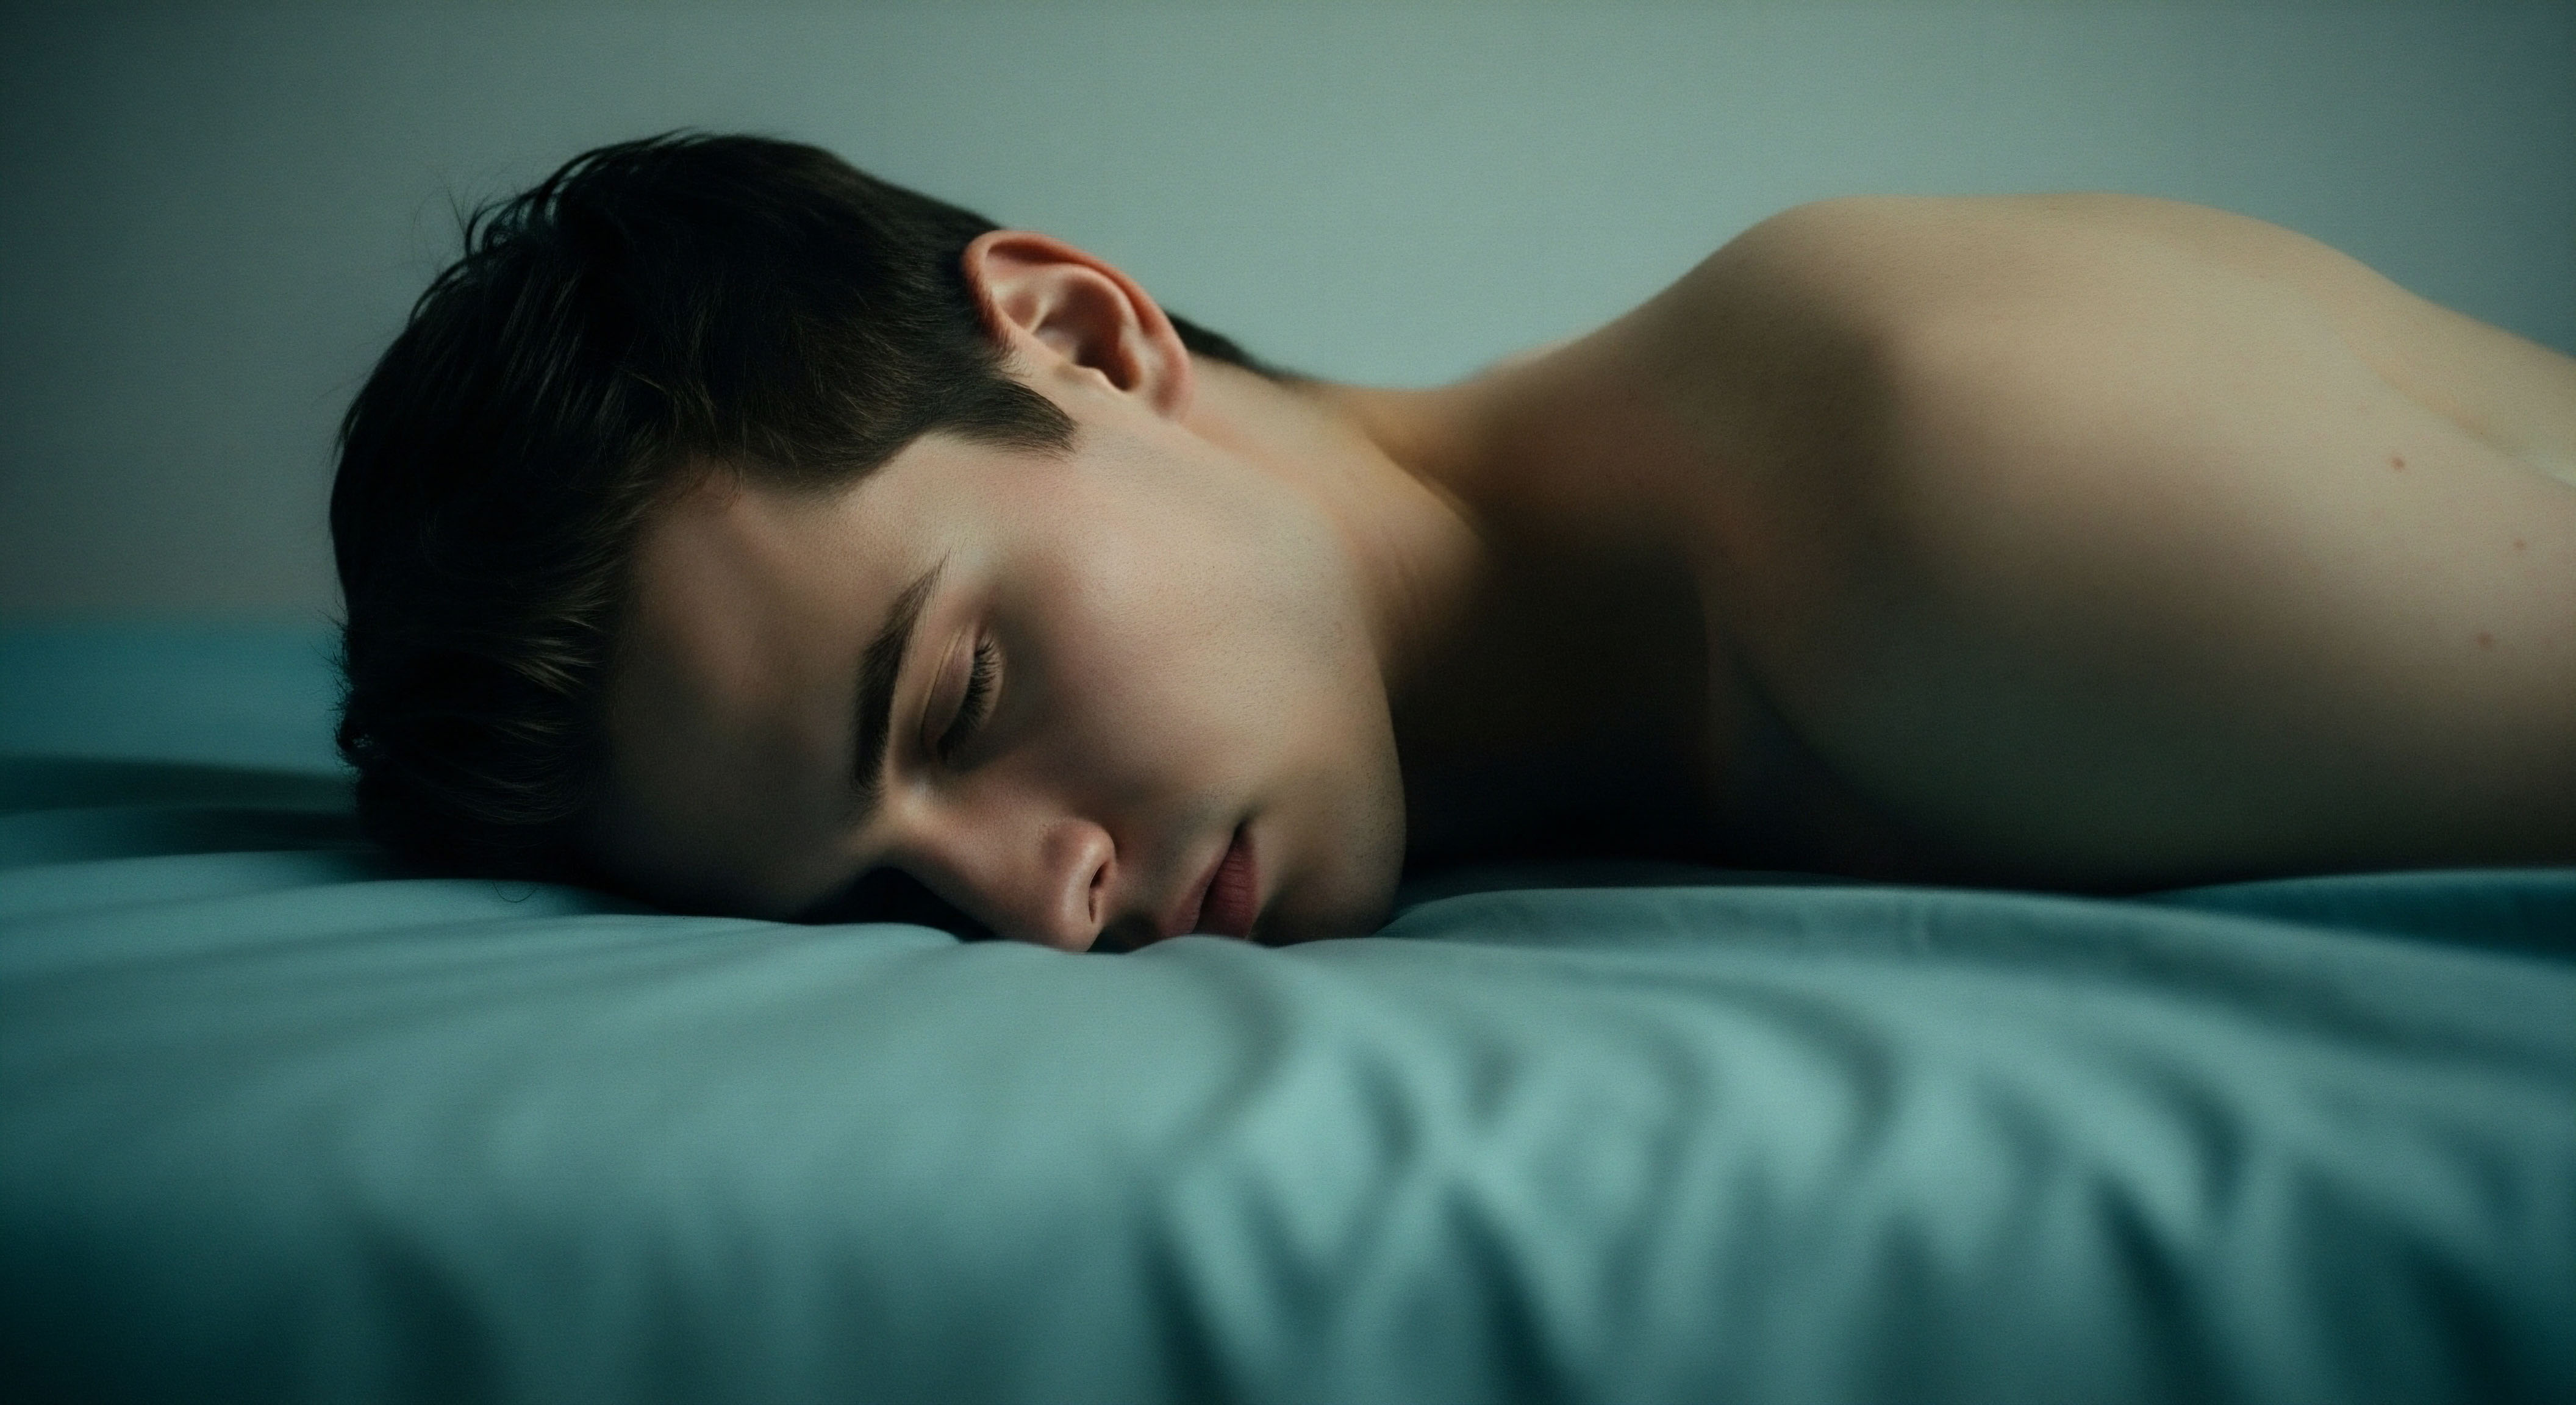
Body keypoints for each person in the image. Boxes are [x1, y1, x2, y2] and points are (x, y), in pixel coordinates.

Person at [332, 133, 2576, 953]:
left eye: (960, 698)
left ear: (1086, 340)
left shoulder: (1933, 484)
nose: (1036, 900)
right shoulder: (1582, 728)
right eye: (885, 895)